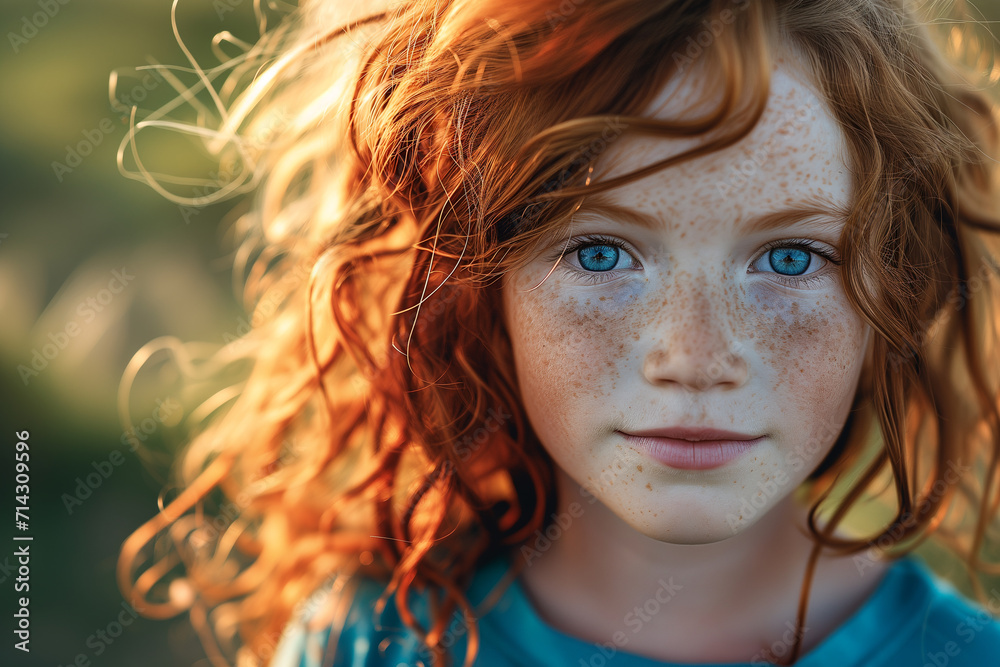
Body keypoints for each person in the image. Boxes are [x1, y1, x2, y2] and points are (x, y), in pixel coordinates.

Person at [115, 0, 1000, 665]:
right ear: (476, 283)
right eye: (603, 253)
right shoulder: (375, 643)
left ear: (899, 278)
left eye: (791, 260)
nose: (693, 357)